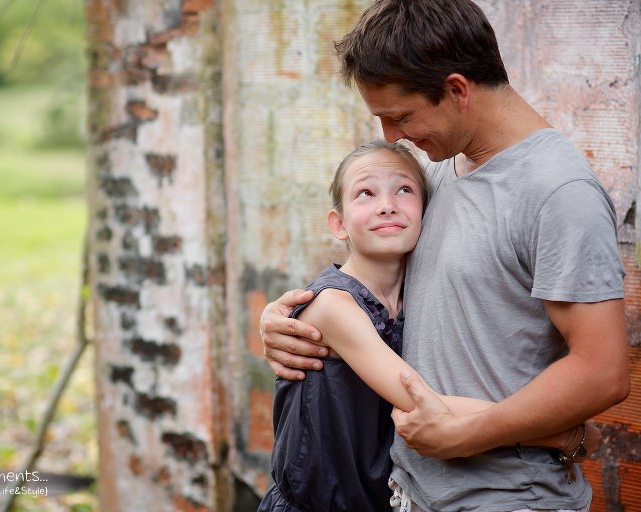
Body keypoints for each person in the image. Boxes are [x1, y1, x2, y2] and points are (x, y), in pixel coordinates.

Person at [259, 1, 630, 511]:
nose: (392, 136)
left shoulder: (558, 193)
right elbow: (379, 272)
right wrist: (284, 319)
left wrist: (471, 433)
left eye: (400, 116)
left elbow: (602, 370)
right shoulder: (437, 170)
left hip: (505, 499)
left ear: (457, 91)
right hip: (408, 494)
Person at [258, 140, 599, 512]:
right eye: (365, 193)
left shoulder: (415, 294)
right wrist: (561, 434)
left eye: (404, 190)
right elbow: (420, 400)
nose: (387, 204)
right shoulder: (332, 306)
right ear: (338, 224)